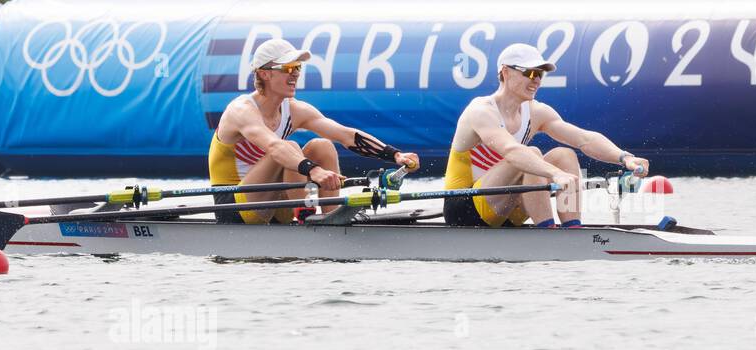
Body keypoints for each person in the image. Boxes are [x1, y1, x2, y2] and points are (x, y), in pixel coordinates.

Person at [208, 38, 420, 224]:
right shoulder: (241, 110)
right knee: (289, 147)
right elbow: (274, 146)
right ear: (264, 74)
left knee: (323, 146)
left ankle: (332, 219)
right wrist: (314, 171)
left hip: (272, 203)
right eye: (288, 68)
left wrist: (395, 155)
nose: (295, 75)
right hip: (234, 207)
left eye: (298, 68)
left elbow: (345, 135)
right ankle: (305, 215)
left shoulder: (295, 109)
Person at [444, 43, 651, 228]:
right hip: (465, 209)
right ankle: (548, 231)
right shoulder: (480, 110)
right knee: (531, 152)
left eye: (540, 74)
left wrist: (625, 158)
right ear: (505, 72)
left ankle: (572, 228)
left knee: (564, 154)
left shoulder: (537, 112)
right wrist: (555, 174)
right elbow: (511, 151)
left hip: (506, 208)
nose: (537, 81)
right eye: (531, 73)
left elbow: (585, 139)